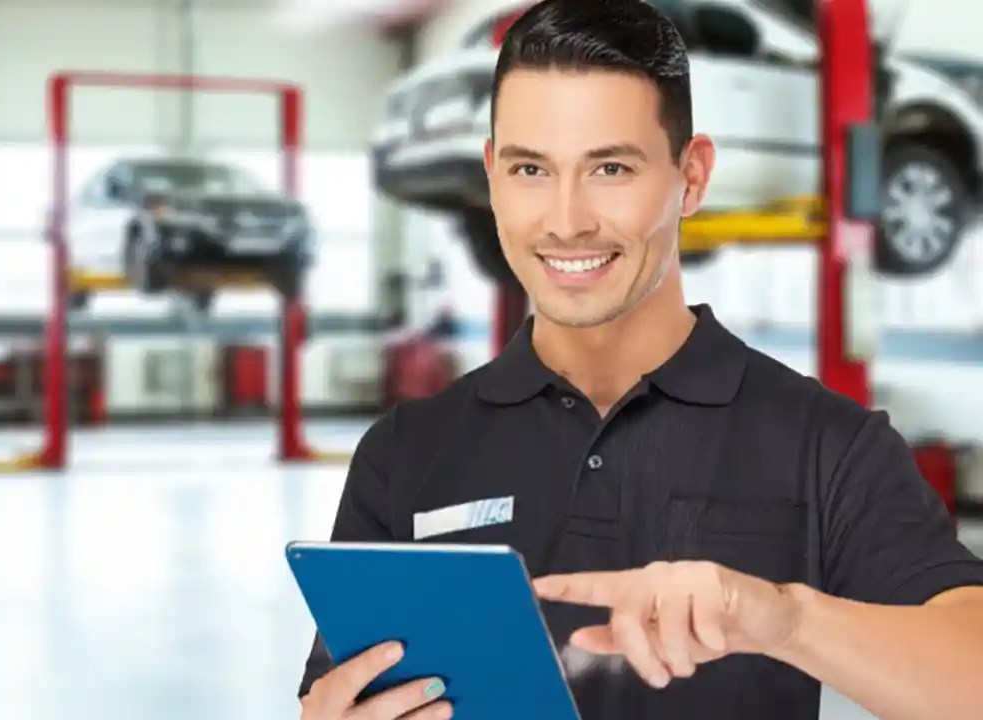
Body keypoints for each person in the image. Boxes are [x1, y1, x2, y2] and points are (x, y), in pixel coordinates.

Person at [296, 1, 983, 718]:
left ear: (691, 177)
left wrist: (787, 619)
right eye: (531, 168)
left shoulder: (826, 443)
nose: (566, 220)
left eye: (611, 168)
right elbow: (341, 693)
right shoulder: (404, 454)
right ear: (492, 177)